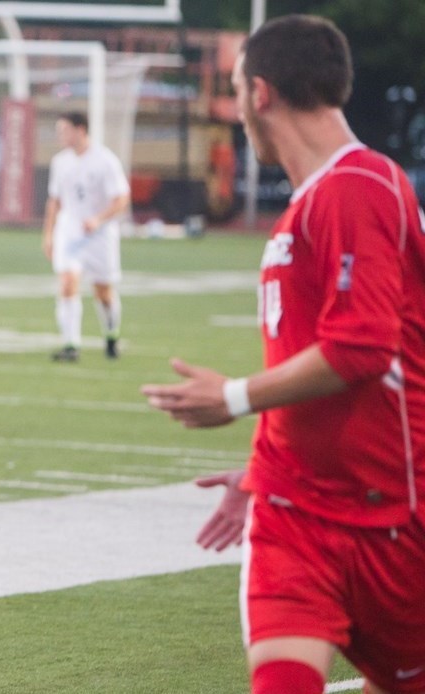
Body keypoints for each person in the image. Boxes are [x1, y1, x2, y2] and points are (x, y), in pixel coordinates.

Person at [141, 15, 425, 694]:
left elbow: (361, 349)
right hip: (293, 510)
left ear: (260, 93)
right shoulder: (304, 208)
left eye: (236, 89)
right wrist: (261, 466)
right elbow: (307, 366)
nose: (236, 109)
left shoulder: (359, 185)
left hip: (391, 517)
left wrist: (233, 398)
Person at [42, 112, 129, 362]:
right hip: (69, 232)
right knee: (68, 282)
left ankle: (111, 335)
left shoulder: (105, 161)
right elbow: (55, 201)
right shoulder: (60, 162)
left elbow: (122, 199)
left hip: (100, 234)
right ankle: (71, 345)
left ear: (80, 130)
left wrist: (99, 219)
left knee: (103, 290)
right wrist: (48, 234)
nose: (60, 136)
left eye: (65, 130)